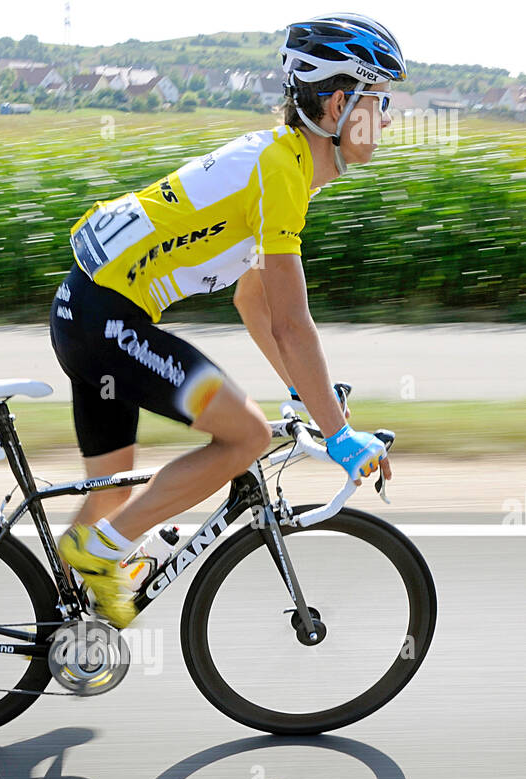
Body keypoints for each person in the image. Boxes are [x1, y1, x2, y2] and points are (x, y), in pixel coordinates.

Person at [50, 13, 405, 628]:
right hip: (105, 317)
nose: (390, 117)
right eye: (381, 100)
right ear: (341, 102)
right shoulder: (281, 172)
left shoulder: (281, 161)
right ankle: (99, 556)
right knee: (245, 438)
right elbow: (293, 324)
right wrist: (340, 436)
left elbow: (254, 301)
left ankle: (65, 631)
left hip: (84, 309)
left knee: (109, 495)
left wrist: (304, 392)